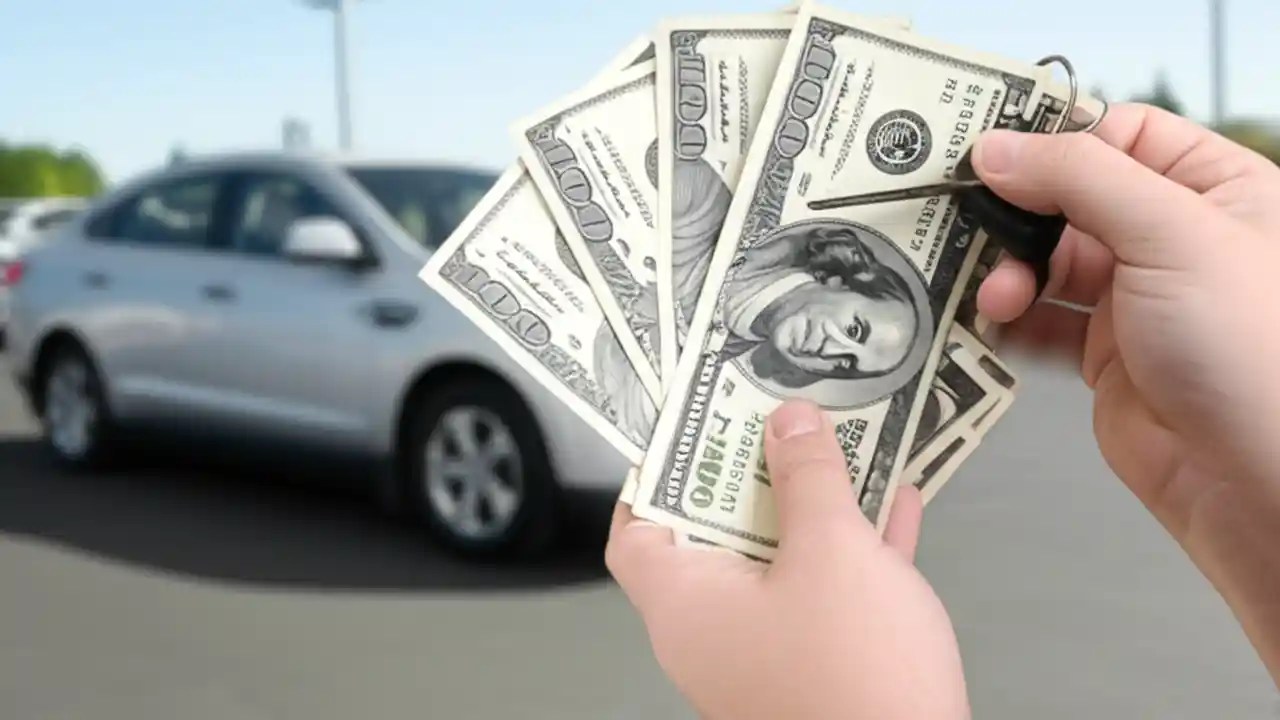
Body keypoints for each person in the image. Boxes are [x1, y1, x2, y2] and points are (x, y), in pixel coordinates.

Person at [605, 103, 1280, 719]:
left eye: (849, 363)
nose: (834, 351)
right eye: (858, 332)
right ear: (843, 279)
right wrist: (1241, 496)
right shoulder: (707, 217)